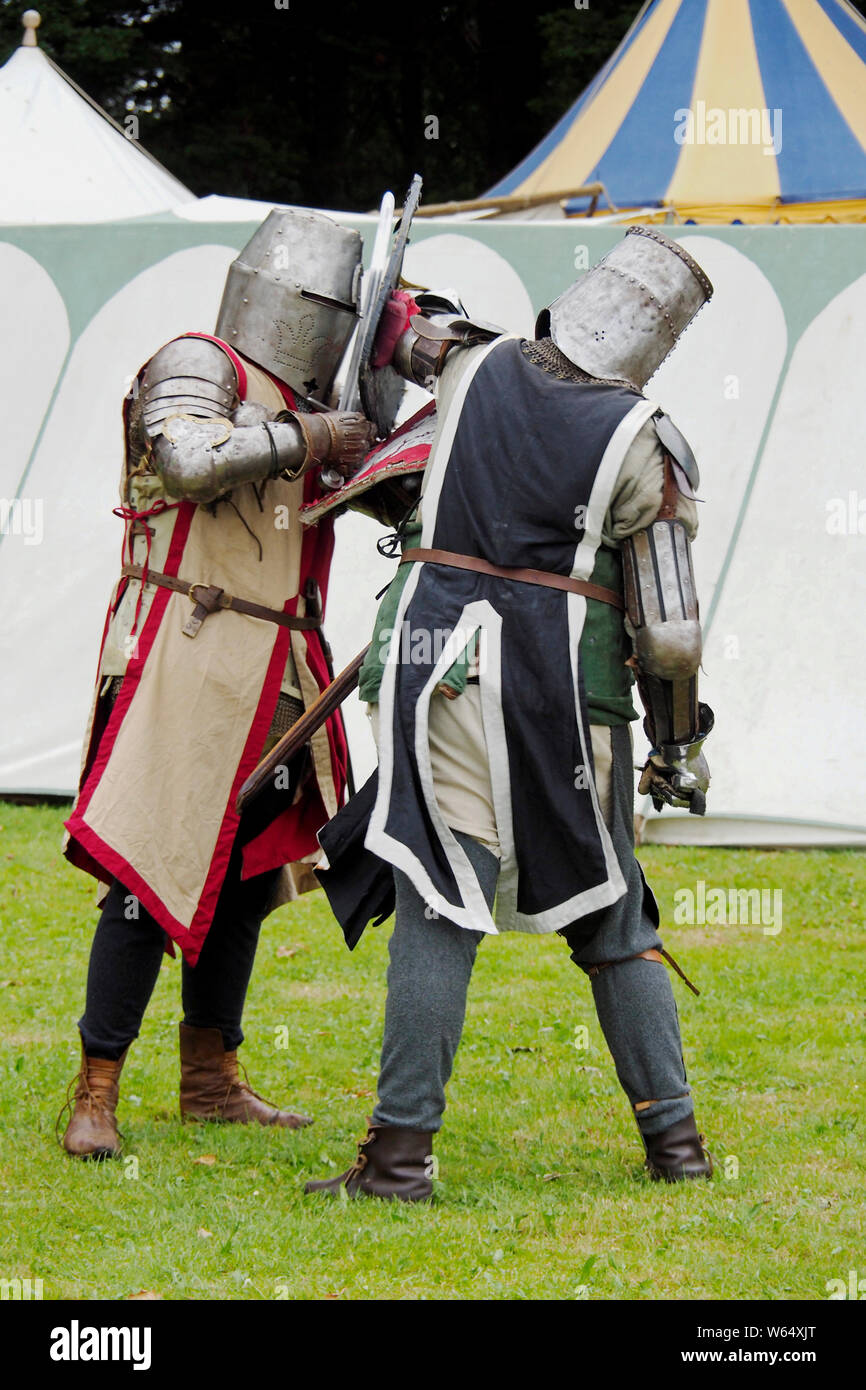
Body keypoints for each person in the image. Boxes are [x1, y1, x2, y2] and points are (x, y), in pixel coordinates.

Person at [306, 226, 716, 1201]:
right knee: (609, 909)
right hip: (561, 698)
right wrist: (674, 748)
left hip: (433, 666)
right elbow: (668, 637)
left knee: (437, 903)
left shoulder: (469, 365)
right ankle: (676, 1147)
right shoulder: (646, 442)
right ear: (657, 341)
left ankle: (400, 1162)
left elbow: (390, 325)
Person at [59, 209, 374, 1158]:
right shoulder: (199, 363)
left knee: (240, 881)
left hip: (273, 670)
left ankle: (210, 1078)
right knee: (145, 868)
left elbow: (378, 483)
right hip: (178, 659)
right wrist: (313, 432)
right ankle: (96, 1090)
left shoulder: (299, 398)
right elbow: (190, 461)